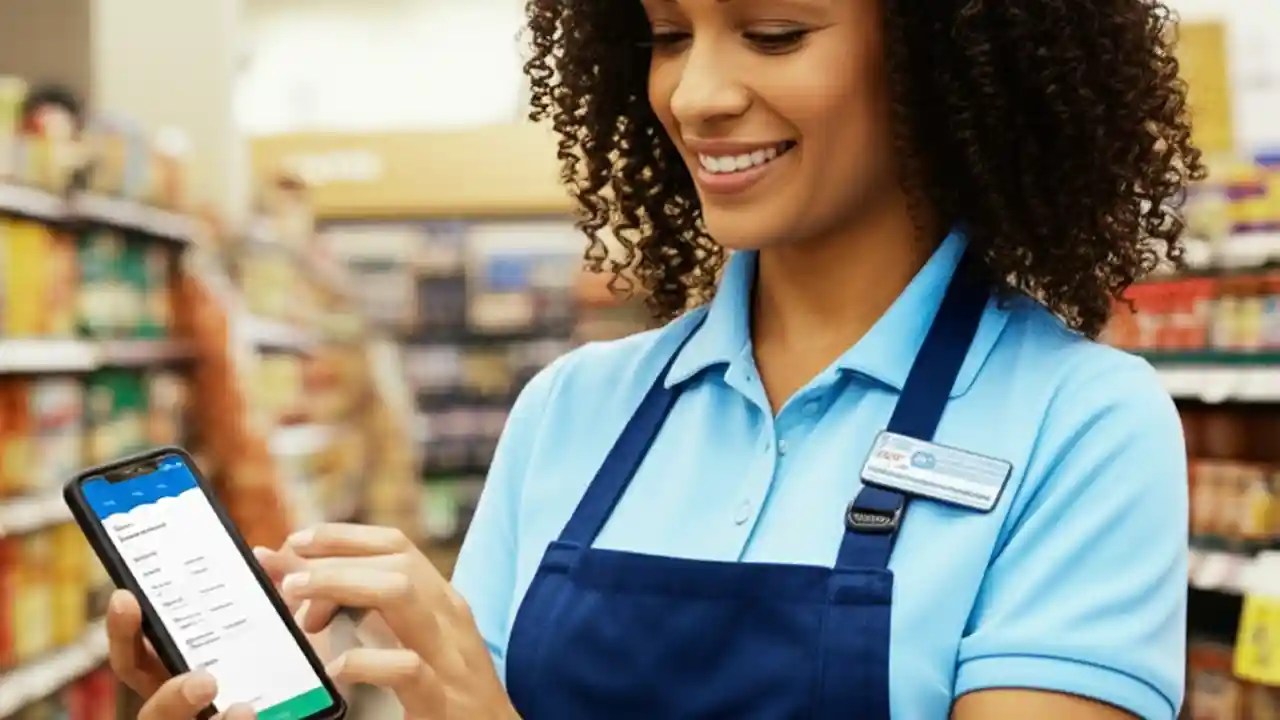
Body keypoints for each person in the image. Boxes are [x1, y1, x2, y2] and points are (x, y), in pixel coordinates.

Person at [108, 0, 1205, 717]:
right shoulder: (572, 408)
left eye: (773, 33)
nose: (695, 94)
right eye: (669, 35)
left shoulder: (1080, 422)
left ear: (943, 55)